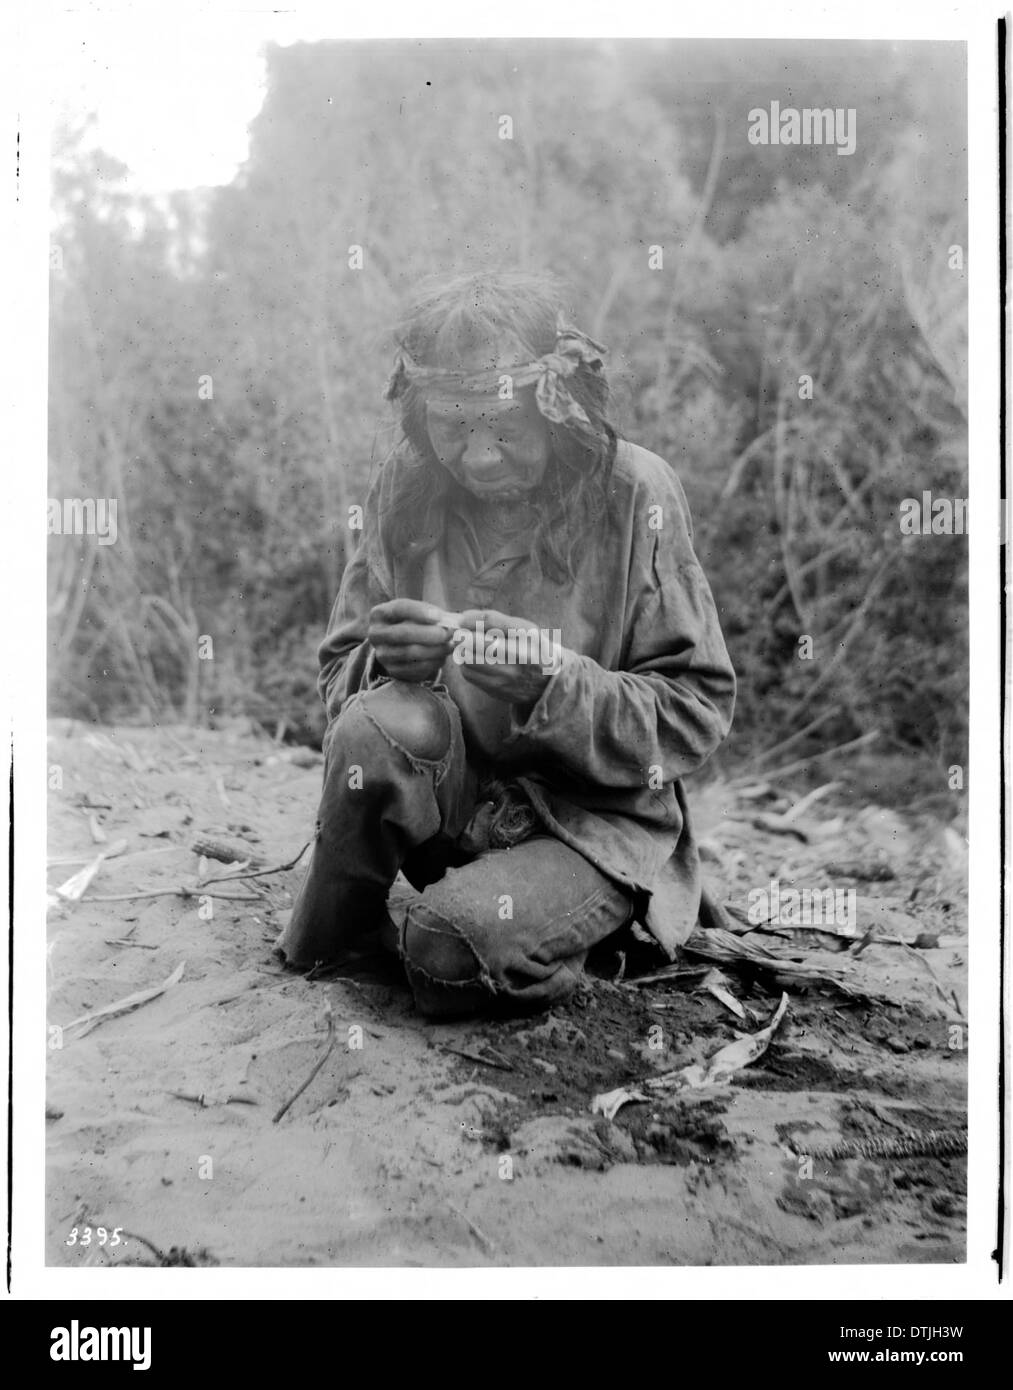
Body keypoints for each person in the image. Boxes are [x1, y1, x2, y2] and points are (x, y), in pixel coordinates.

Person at [275, 271, 736, 1017]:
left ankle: (569, 923)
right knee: (375, 723)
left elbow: (695, 710)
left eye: (503, 430)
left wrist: (553, 683)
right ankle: (346, 931)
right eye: (452, 429)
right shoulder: (406, 485)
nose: (478, 457)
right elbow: (341, 678)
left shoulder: (635, 493)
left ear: (556, 412)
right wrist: (387, 663)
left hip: (591, 827)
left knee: (446, 949)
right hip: (453, 813)